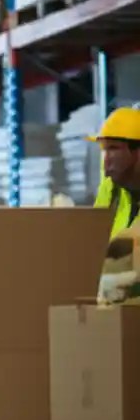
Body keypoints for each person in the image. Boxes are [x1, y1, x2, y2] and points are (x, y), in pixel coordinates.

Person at [90, 106, 140, 302]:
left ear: (137, 152)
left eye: (114, 148)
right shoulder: (110, 190)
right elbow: (90, 241)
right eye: (104, 150)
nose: (106, 160)